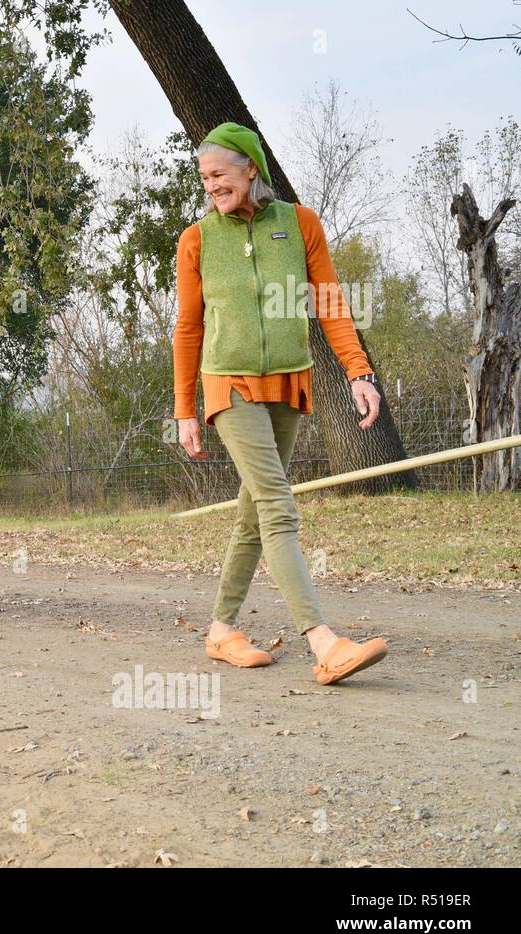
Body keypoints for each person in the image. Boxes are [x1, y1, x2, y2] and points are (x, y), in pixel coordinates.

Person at [173, 121, 389, 685]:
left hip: (290, 385)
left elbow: (330, 303)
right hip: (231, 386)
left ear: (251, 169)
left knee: (253, 513)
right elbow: (188, 330)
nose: (210, 186)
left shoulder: (299, 224)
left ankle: (221, 632)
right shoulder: (197, 240)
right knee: (276, 505)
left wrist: (358, 372)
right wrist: (185, 410)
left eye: (219, 174)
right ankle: (323, 642)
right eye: (204, 178)